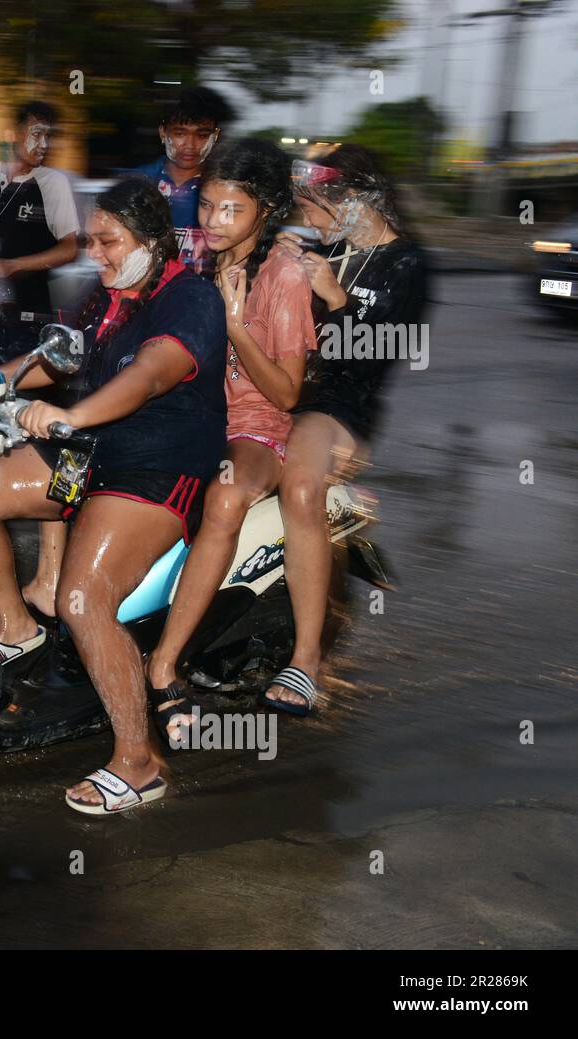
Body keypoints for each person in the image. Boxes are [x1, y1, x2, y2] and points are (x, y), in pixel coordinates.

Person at [0, 177, 227, 814]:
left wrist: (77, 417)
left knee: (84, 598)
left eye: (109, 240)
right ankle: (15, 625)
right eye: (92, 239)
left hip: (156, 465)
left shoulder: (190, 297)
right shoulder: (109, 295)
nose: (96, 252)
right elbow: (58, 358)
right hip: (93, 450)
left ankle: (139, 762)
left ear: (151, 241)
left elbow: (151, 375)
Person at [143, 139, 317, 741]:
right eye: (208, 206)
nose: (212, 221)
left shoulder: (285, 275)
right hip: (203, 412)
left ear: (265, 209)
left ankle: (163, 664)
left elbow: (287, 393)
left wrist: (238, 325)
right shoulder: (206, 259)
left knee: (222, 498)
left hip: (256, 426)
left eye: (230, 210)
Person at [262, 144, 428, 715]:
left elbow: (382, 353)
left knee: (301, 488)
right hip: (286, 394)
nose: (307, 220)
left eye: (314, 208)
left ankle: (305, 661)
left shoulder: (407, 263)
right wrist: (272, 261)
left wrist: (336, 301)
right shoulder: (325, 250)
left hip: (343, 411)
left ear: (354, 200)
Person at [0, 99, 80, 366]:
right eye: (37, 134)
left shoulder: (53, 184)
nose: (44, 145)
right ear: (12, 135)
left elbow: (70, 248)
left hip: (32, 319)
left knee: (24, 399)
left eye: (50, 136)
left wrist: (13, 266)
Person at [133, 86, 233, 273]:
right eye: (180, 133)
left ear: (215, 136)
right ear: (163, 132)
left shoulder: (227, 191)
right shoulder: (139, 184)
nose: (190, 145)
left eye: (202, 135)